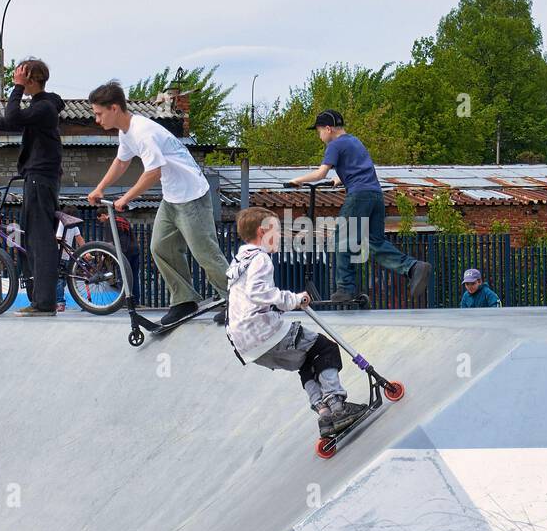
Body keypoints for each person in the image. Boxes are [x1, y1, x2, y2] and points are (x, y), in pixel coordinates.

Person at [86, 80, 229, 327]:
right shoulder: (126, 132)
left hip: (192, 195)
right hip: (172, 197)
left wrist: (126, 198)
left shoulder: (143, 132)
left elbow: (153, 172)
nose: (97, 119)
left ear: (114, 108)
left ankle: (238, 301)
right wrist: (100, 187)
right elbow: (121, 162)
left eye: (99, 114)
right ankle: (184, 300)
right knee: (161, 247)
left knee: (205, 252)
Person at [227, 206, 367, 437]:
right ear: (262, 232)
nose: (280, 236)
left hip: (245, 344)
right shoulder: (261, 258)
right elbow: (258, 292)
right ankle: (338, 406)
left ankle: (324, 414)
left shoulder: (239, 261)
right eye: (276, 231)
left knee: (306, 360)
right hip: (264, 331)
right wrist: (294, 299)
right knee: (325, 348)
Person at [288, 109, 431, 304]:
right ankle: (413, 267)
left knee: (341, 240)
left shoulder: (334, 145)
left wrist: (297, 180)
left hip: (359, 196)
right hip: (376, 196)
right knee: (375, 242)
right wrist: (339, 179)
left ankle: (345, 289)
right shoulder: (355, 141)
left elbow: (320, 173)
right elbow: (359, 168)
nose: (319, 135)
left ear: (328, 129)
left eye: (319, 131)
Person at [0, 60, 64, 317]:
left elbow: (13, 116)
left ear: (30, 79)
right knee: (32, 239)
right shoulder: (41, 107)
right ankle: (41, 301)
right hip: (37, 177)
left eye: (20, 76)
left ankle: (44, 303)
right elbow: (12, 123)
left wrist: (16, 87)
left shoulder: (44, 106)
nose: (18, 80)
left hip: (40, 177)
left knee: (40, 240)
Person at [96, 207, 141, 304]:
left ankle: (125, 301)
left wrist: (103, 256)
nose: (100, 221)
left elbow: (109, 243)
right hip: (135, 250)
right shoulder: (122, 219)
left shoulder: (109, 222)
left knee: (123, 277)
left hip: (123, 253)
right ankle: (136, 301)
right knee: (134, 276)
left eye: (100, 219)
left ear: (103, 215)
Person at [54, 206, 86, 312]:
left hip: (60, 256)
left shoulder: (62, 223)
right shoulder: (72, 225)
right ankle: (59, 302)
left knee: (59, 280)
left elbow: (59, 238)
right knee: (62, 281)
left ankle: (60, 303)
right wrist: (86, 251)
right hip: (66, 256)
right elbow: (79, 239)